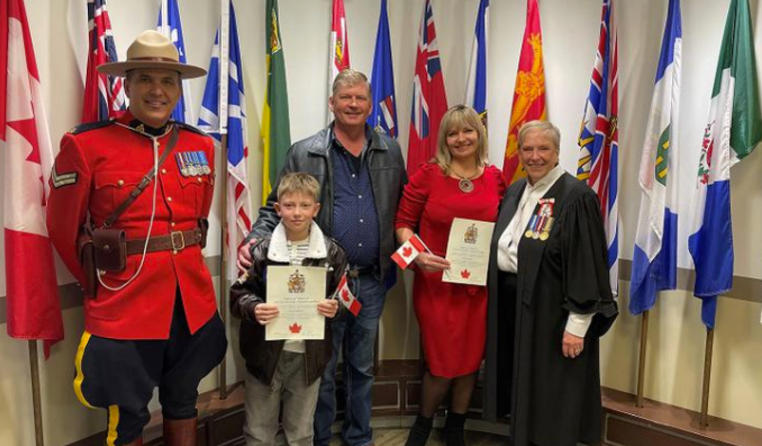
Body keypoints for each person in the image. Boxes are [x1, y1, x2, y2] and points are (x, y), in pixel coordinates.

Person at [46, 30, 227, 446]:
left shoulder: (200, 144)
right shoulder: (87, 144)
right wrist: (104, 278)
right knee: (127, 414)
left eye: (167, 81)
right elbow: (62, 229)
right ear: (126, 85)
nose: (157, 91)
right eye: (145, 79)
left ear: (180, 89)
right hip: (124, 304)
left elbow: (196, 222)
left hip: (190, 302)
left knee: (184, 401)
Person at [238, 69, 407, 446]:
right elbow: (275, 206)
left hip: (371, 281)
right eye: (345, 97)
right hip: (324, 282)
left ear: (369, 104)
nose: (353, 104)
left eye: (360, 98)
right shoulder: (305, 150)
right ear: (332, 103)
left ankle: (359, 438)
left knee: (363, 367)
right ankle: (317, 439)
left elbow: (405, 207)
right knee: (322, 369)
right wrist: (254, 239)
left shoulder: (390, 149)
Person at [482, 120, 618, 446]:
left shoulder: (575, 198)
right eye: (527, 149)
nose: (535, 156)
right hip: (516, 308)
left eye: (543, 148)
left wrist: (578, 324)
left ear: (557, 152)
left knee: (553, 391)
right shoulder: (516, 191)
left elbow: (586, 266)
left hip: (553, 312)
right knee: (526, 389)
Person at [395, 105, 506, 446]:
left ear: (479, 134)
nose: (461, 138)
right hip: (436, 287)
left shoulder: (496, 177)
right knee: (441, 366)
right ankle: (423, 423)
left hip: (477, 289)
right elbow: (402, 225)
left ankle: (456, 425)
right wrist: (418, 257)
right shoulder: (429, 174)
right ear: (445, 139)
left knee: (471, 362)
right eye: (453, 133)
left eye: (467, 131)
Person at [230, 172, 345, 446]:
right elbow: (238, 295)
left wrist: (336, 307)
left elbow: (347, 296)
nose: (297, 213)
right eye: (290, 205)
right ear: (278, 208)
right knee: (258, 431)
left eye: (305, 206)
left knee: (302, 432)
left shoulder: (333, 253)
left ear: (316, 209)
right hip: (265, 355)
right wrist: (254, 308)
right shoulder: (260, 251)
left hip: (309, 357)